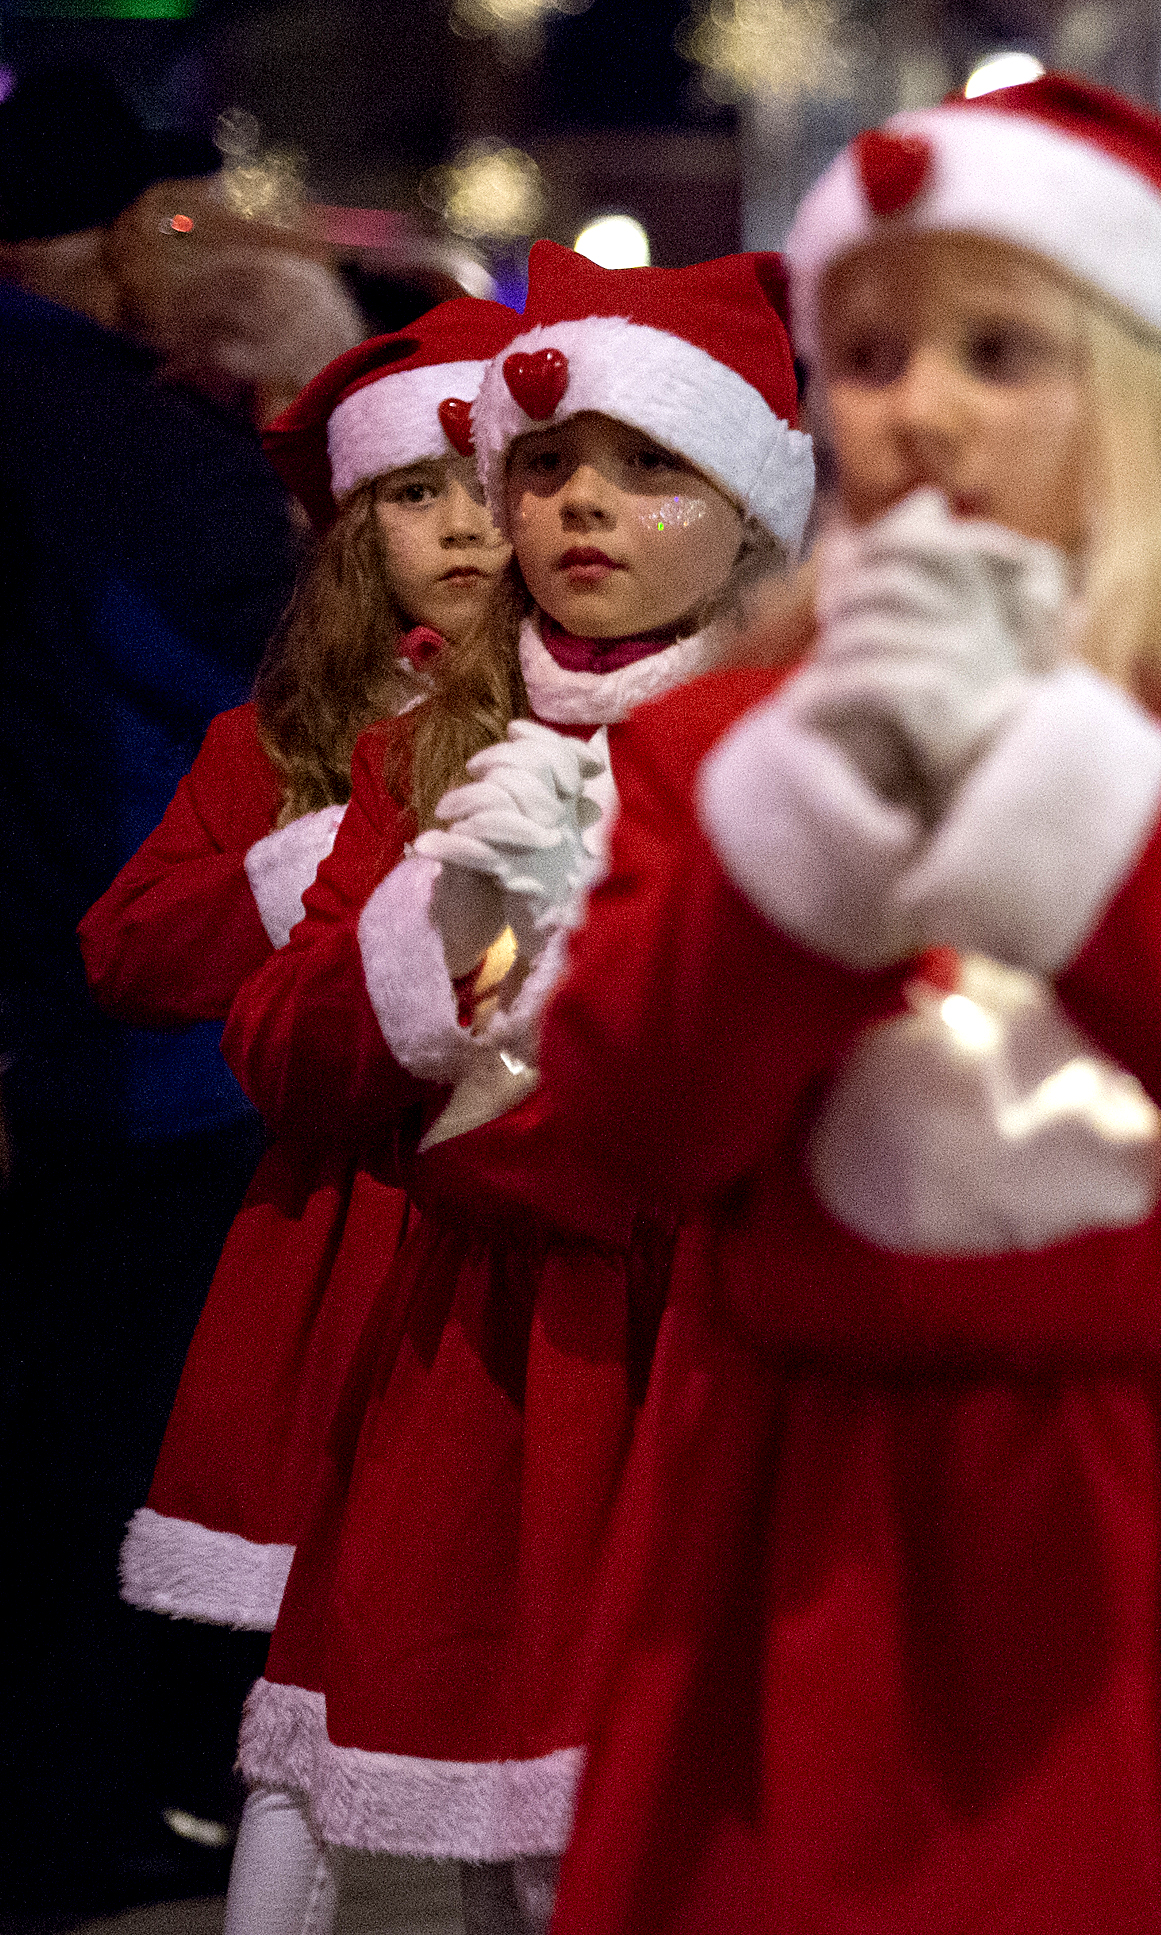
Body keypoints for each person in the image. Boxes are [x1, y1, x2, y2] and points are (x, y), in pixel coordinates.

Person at [503, 79, 1161, 1934]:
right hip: (807, 1518)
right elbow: (634, 1121)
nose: (918, 405)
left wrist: (1052, 779)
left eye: (998, 350)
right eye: (867, 354)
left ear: (1157, 393)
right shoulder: (723, 737)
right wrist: (814, 834)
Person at [220, 240, 806, 1934]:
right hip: (499, 1348)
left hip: (732, 1342)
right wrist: (427, 936)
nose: (579, 506)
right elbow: (282, 1047)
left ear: (752, 509)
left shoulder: (815, 741)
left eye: (647, 466)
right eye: (542, 466)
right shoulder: (425, 754)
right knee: (517, 1825)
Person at [80, 297, 519, 1935]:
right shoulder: (278, 747)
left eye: (490, 479)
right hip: (343, 1231)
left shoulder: (604, 732)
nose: (466, 522)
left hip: (523, 1232)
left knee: (524, 1644)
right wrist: (304, 872)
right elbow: (125, 951)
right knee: (316, 1666)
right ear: (355, 533)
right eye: (417, 493)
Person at [0, 61, 304, 1911]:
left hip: (85, 1027)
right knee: (116, 1445)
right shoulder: (113, 435)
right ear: (126, 237)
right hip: (139, 1047)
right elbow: (270, 698)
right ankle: (89, 1804)